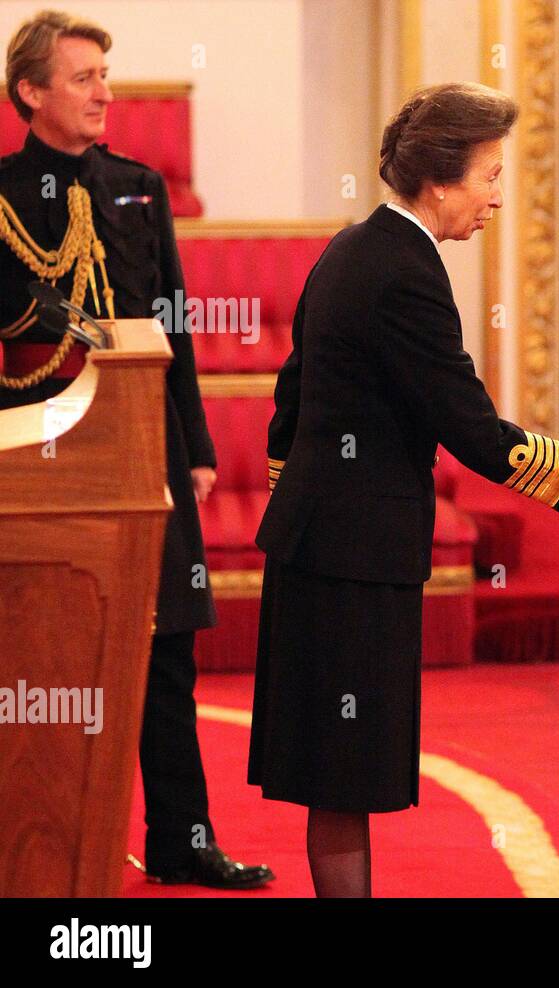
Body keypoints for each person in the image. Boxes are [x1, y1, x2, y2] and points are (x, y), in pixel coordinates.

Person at [248, 82, 559, 898]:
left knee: (339, 779)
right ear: (440, 181)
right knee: (346, 776)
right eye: (492, 175)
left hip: (322, 546)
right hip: (353, 560)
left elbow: (287, 406)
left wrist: (292, 503)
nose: (500, 197)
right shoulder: (405, 273)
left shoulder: (355, 246)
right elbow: (471, 429)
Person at [0, 10, 272, 889]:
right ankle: (39, 841)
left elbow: (174, 326)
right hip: (36, 458)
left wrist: (193, 444)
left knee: (166, 655)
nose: (104, 94)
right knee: (39, 661)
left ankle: (182, 837)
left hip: (141, 453)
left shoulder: (138, 188)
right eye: (83, 78)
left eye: (104, 78)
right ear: (31, 92)